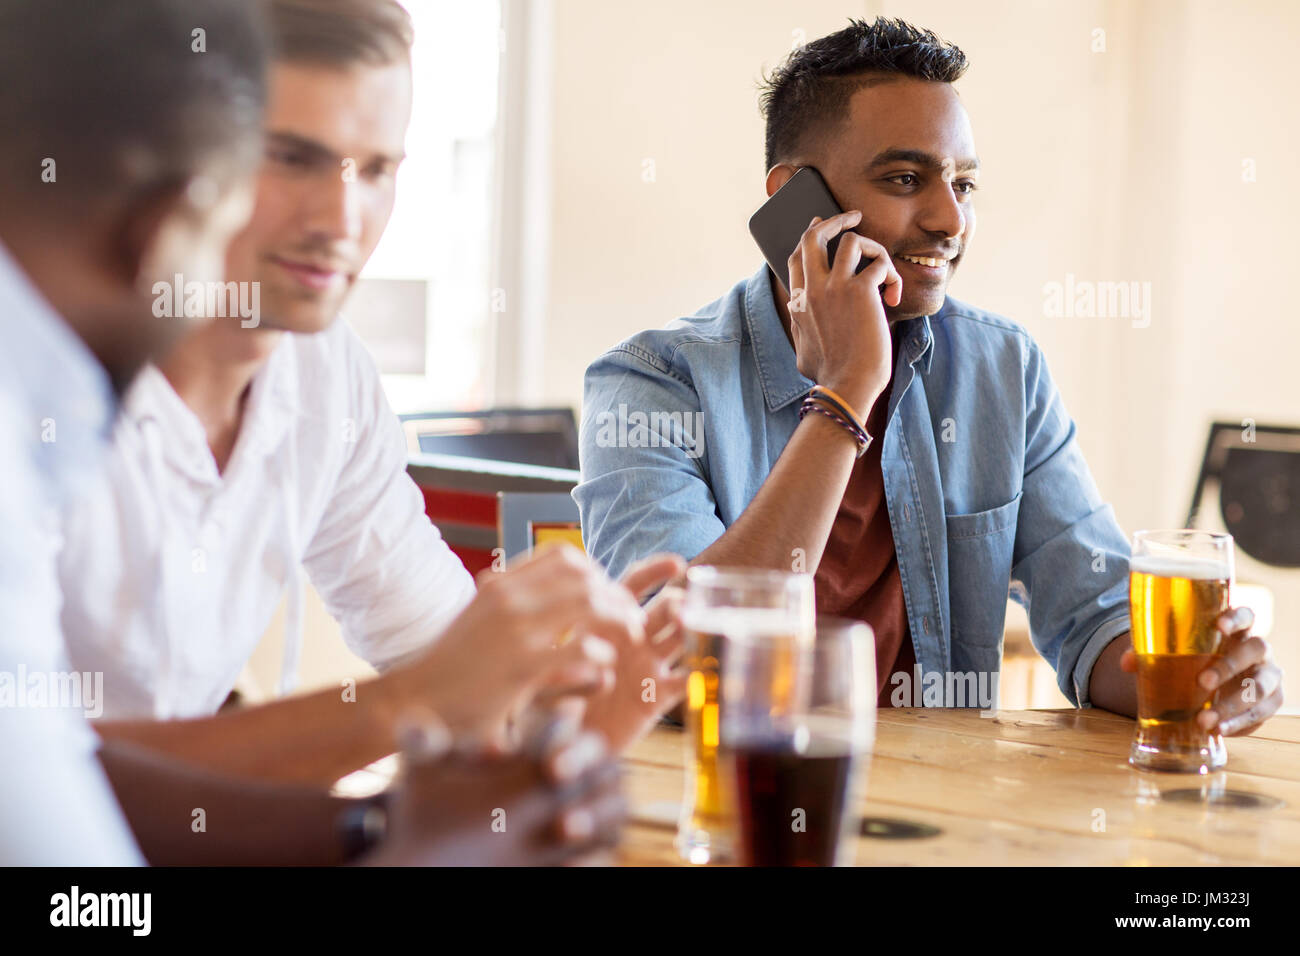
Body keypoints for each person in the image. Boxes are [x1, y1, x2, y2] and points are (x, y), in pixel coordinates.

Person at [2, 0, 622, 866]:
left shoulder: (326, 374)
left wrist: (574, 708)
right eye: (291, 157)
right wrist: (405, 723)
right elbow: (33, 780)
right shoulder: (40, 383)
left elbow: (453, 658)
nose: (340, 219)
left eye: (376, 169)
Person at [574, 17, 1283, 732]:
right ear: (797, 202)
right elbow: (682, 673)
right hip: (742, 811)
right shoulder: (651, 385)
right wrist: (846, 392)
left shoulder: (1003, 370)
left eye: (965, 184)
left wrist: (1199, 682)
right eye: (906, 179)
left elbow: (1097, 620)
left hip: (944, 822)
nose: (951, 219)